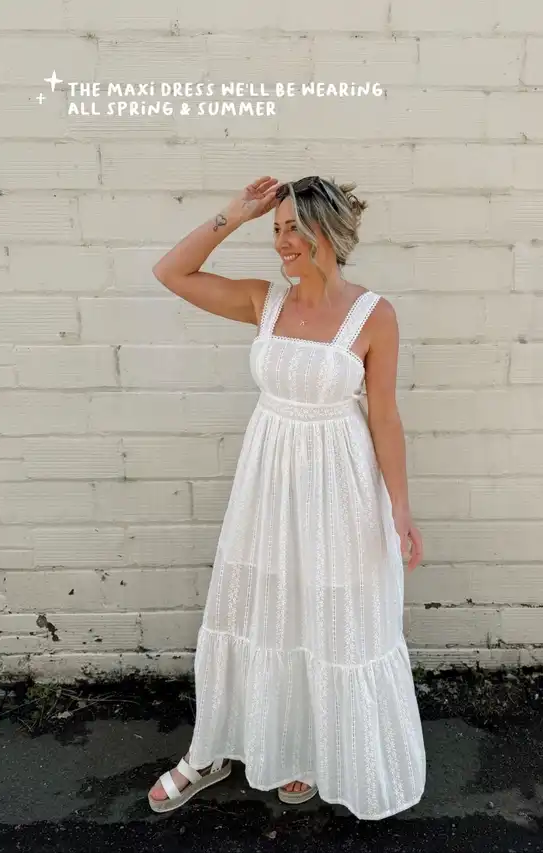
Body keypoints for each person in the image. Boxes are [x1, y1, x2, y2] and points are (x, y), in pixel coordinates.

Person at [147, 175, 427, 820]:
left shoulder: (373, 315)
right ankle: (211, 750)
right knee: (253, 608)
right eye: (276, 230)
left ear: (330, 230)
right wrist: (235, 214)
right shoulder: (263, 302)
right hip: (267, 483)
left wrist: (400, 508)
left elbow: (384, 416)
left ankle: (300, 749)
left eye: (294, 228)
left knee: (323, 613)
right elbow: (171, 272)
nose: (282, 242)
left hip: (341, 486)